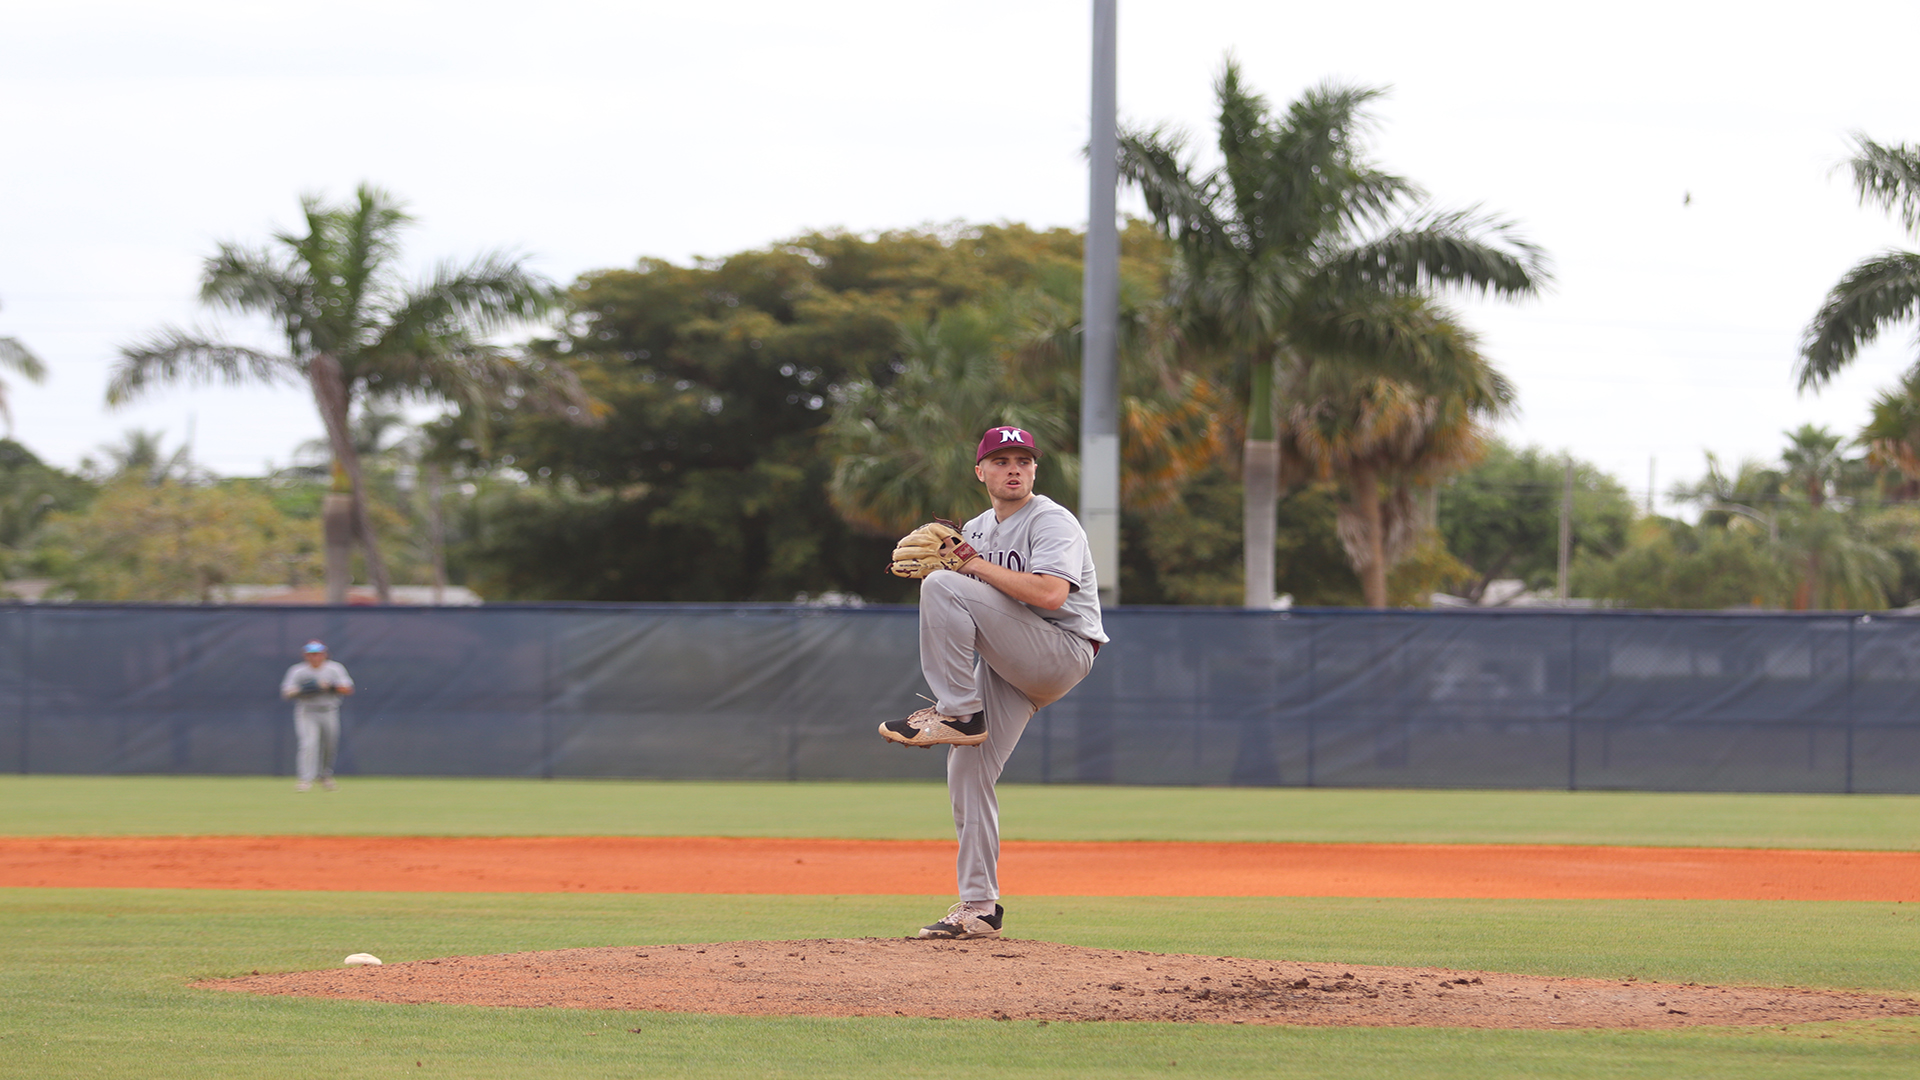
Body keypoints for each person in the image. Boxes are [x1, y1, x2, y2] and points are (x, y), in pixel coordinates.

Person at [879, 425, 1108, 940]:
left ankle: (958, 710)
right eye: (1002, 460)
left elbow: (1050, 595)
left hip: (1060, 649)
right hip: (1010, 666)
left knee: (944, 581)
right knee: (967, 771)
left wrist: (968, 566)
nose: (1014, 469)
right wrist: (968, 563)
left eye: (1023, 461)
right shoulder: (978, 528)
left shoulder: (1052, 521)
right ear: (980, 471)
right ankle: (980, 908)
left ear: (1034, 470)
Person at [279, 640, 354, 792]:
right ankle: (305, 779)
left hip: (329, 711)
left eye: (317, 654)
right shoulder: (298, 671)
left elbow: (347, 689)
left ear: (324, 654)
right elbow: (287, 692)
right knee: (308, 744)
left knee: (329, 745)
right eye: (311, 654)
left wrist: (330, 686)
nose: (314, 657)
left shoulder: (334, 668)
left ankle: (325, 776)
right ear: (305, 655)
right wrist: (308, 689)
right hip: (307, 711)